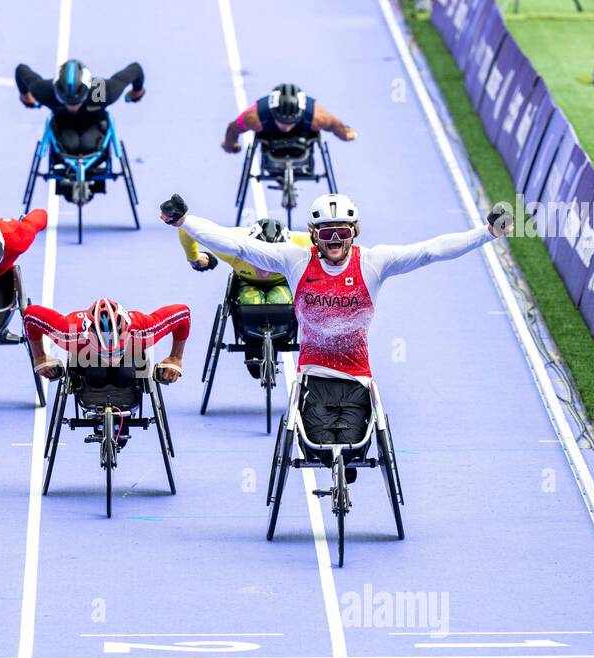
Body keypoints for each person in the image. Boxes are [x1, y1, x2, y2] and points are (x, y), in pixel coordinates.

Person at [160, 191, 514, 471]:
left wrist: (488, 233)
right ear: (313, 235)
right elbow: (236, 245)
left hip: (359, 378)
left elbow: (430, 251)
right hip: (311, 376)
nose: (334, 240)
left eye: (341, 232)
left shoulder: (375, 261)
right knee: (317, 443)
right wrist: (186, 221)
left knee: (353, 442)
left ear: (353, 233)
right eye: (326, 233)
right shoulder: (293, 259)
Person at [26, 298, 189, 386]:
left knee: (124, 377)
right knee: (95, 377)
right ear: (88, 335)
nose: (111, 359)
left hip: (129, 355)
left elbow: (183, 313)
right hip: (86, 356)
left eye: (115, 351)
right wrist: (39, 357)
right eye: (105, 352)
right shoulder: (69, 332)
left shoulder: (143, 330)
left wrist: (176, 357)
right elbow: (30, 316)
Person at [15, 58, 145, 156]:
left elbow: (136, 69)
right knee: (71, 144)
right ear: (57, 91)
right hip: (63, 130)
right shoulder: (46, 91)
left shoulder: (100, 91)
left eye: (77, 102)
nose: (72, 107)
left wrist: (26, 97)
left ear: (88, 90)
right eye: (66, 101)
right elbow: (20, 70)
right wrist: (136, 93)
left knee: (87, 144)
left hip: (94, 129)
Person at [179, 216, 305, 306]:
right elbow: (185, 228)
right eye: (259, 259)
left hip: (283, 282)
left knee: (279, 303)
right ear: (249, 249)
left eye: (273, 261)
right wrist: (194, 258)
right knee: (252, 304)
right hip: (247, 282)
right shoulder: (232, 247)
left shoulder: (301, 246)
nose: (265, 271)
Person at [221, 83, 356, 154]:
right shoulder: (254, 118)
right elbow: (233, 128)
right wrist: (229, 146)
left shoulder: (318, 117)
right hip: (270, 137)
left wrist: (345, 134)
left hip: (303, 137)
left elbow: (335, 125)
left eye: (291, 122)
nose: (286, 127)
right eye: (282, 122)